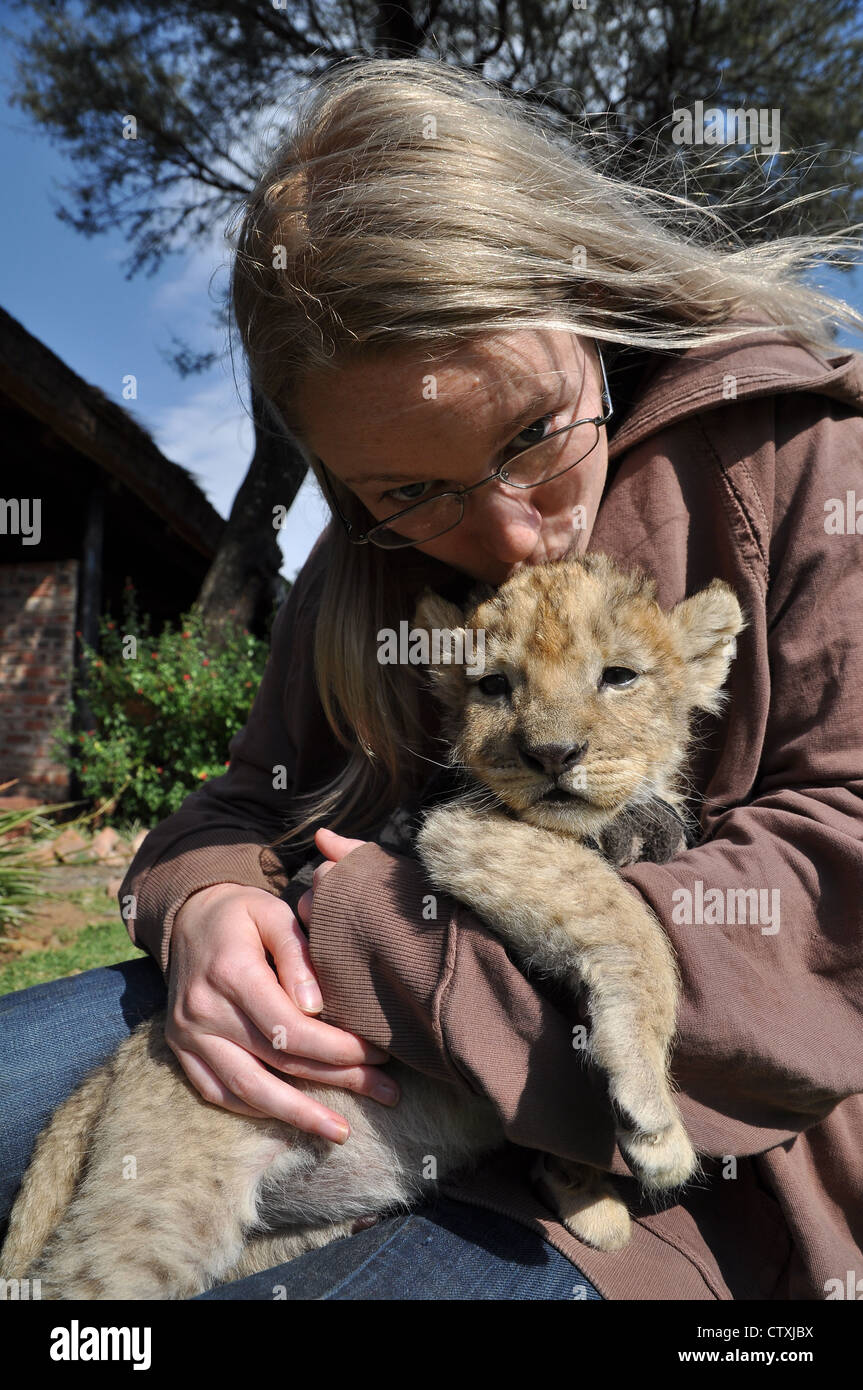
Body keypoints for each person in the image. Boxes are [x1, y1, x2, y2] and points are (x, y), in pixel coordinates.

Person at [2, 56, 863, 1301]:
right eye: (407, 490)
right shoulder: (362, 562)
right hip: (323, 1054)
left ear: (579, 287)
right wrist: (202, 906)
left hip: (678, 1144)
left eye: (529, 435)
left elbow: (836, 879)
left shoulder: (804, 457)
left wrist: (375, 940)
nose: (510, 536)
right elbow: (242, 803)